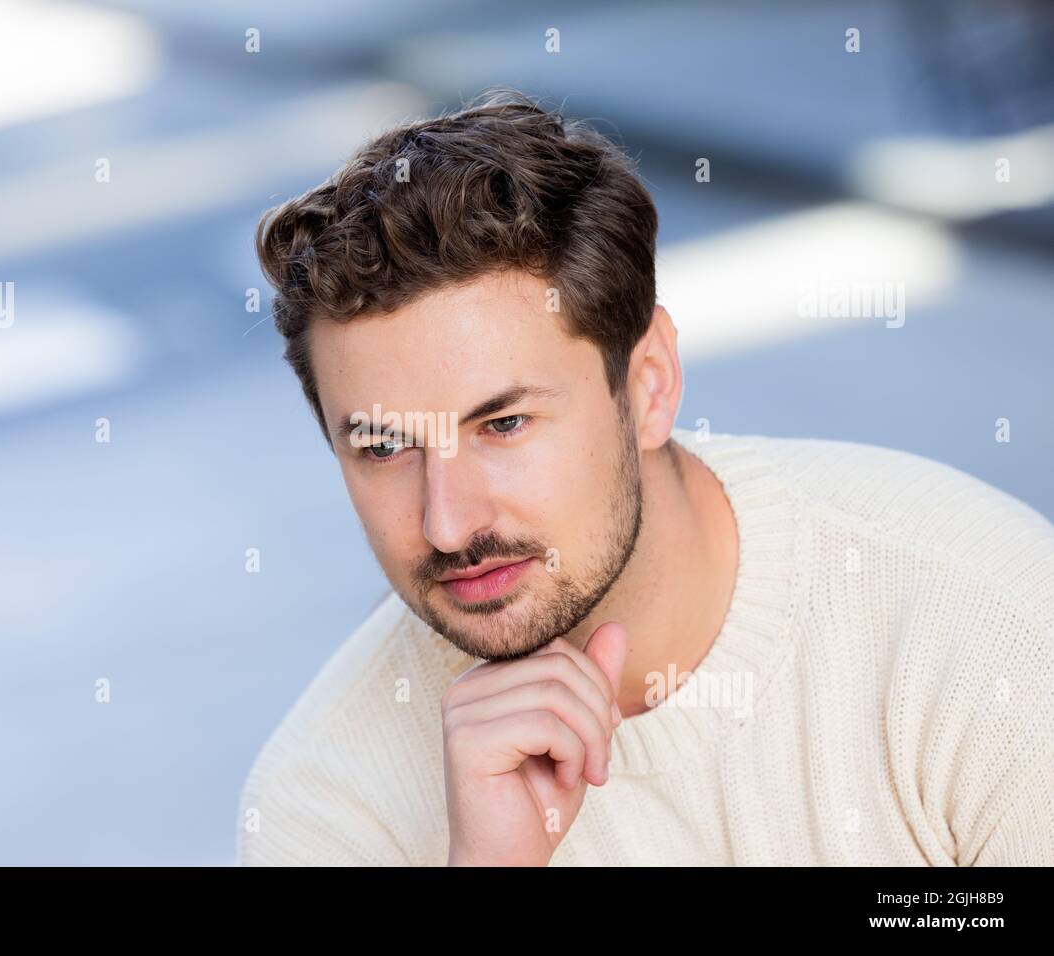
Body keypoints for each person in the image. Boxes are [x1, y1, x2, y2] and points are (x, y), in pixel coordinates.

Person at [236, 89, 1054, 866]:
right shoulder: (327, 807)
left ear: (650, 384)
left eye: (505, 424)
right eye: (384, 448)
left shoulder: (986, 636)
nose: (448, 525)